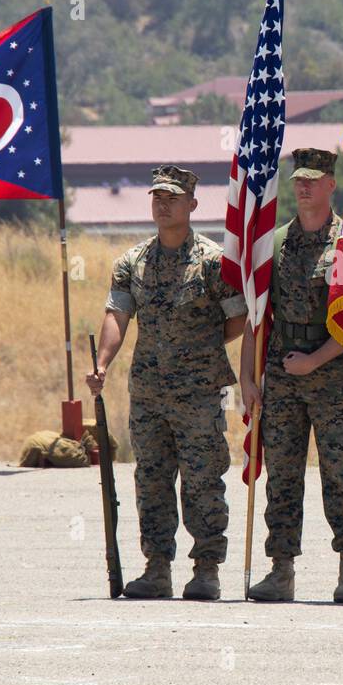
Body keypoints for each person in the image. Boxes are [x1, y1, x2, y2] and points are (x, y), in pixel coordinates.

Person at [87, 165, 247, 601]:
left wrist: (201, 346)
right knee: (152, 480)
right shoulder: (132, 262)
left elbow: (238, 317)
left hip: (199, 393)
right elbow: (117, 315)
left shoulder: (214, 263)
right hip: (149, 394)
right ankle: (157, 568)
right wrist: (102, 363)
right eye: (157, 196)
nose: (163, 204)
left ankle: (206, 570)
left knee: (203, 480)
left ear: (192, 205)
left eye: (172, 198)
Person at [240, 148, 343, 603]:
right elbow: (258, 317)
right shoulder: (274, 245)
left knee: (341, 475)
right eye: (299, 179)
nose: (304, 186)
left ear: (332, 185)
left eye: (313, 179)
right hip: (281, 375)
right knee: (283, 476)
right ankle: (281, 569)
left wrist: (315, 361)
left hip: (332, 373)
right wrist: (247, 378)